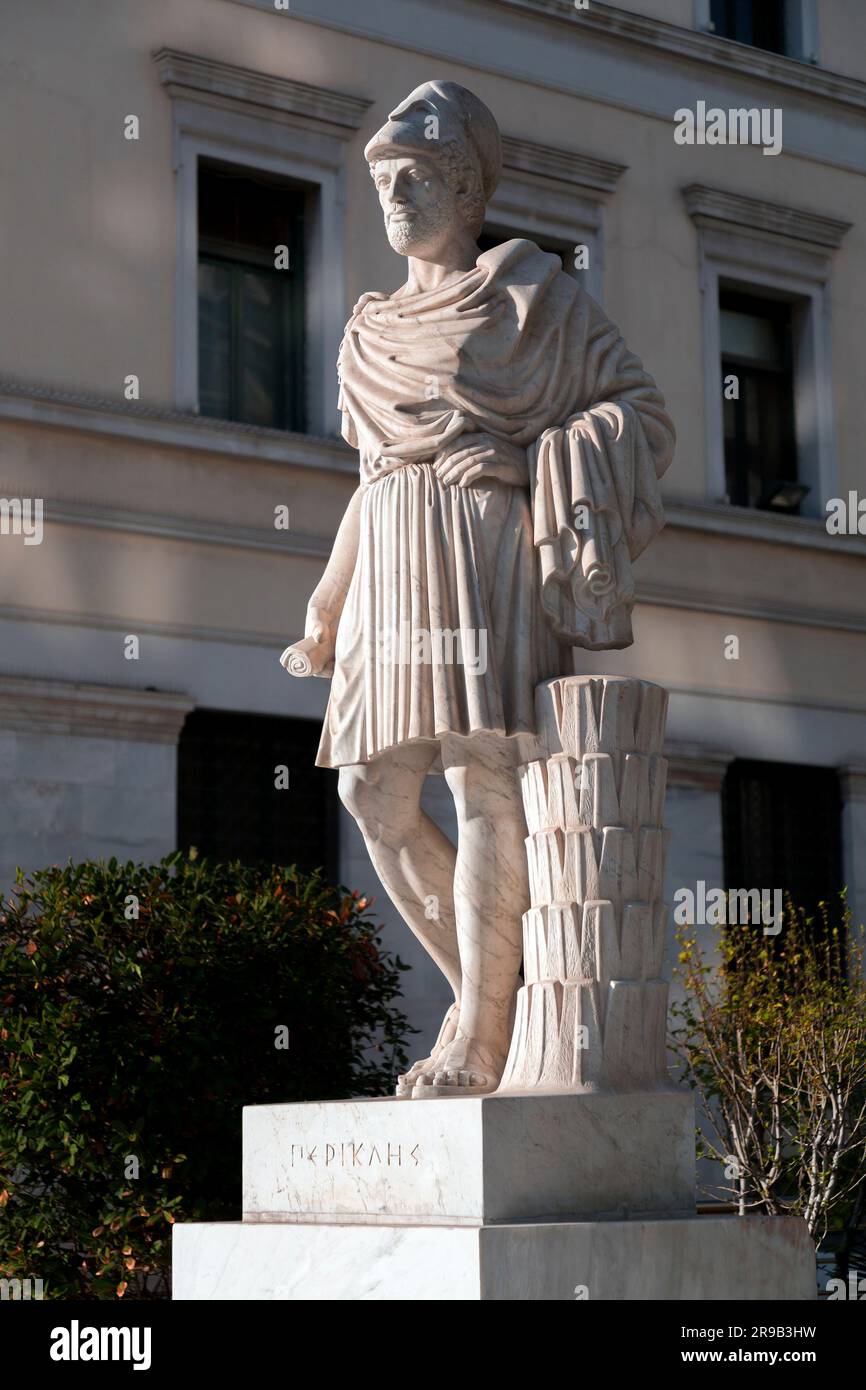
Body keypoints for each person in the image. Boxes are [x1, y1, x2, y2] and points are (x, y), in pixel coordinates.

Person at [281, 80, 675, 1097]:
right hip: (393, 556)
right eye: (383, 180)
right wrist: (327, 606)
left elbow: (640, 415)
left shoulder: (532, 297)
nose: (394, 196)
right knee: (370, 789)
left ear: (465, 188)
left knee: (480, 777)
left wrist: (529, 460)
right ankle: (483, 994)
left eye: (414, 176)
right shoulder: (365, 333)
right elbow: (372, 482)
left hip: (488, 541)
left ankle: (483, 1036)